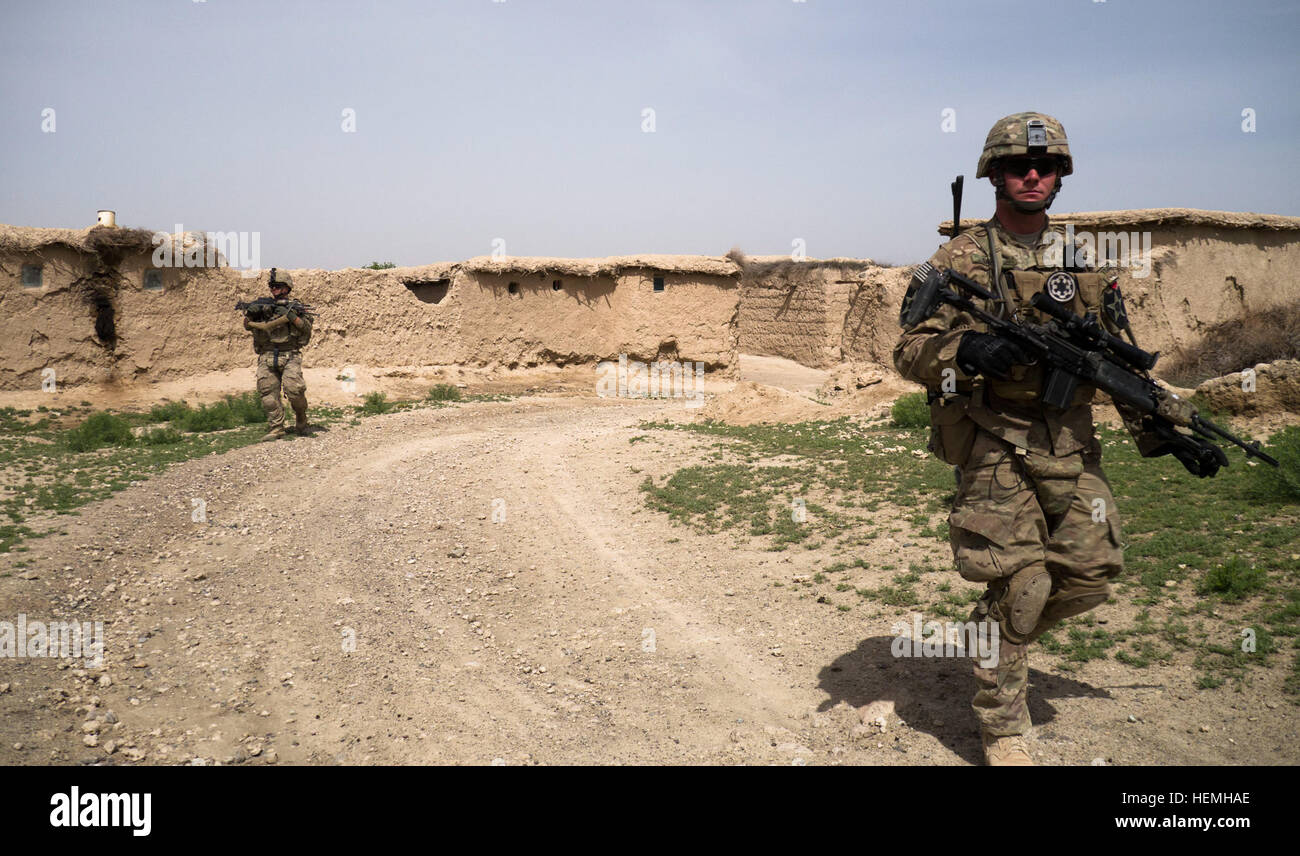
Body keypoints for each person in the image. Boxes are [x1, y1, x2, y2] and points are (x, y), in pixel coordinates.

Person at [892, 112, 1219, 766]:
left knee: (1093, 572)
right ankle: (1005, 726)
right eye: (1018, 165)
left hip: (1070, 444)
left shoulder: (1083, 263)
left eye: (1044, 166)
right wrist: (968, 348)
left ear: (1060, 175)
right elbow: (908, 349)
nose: (1033, 175)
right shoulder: (959, 258)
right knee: (1024, 582)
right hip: (992, 441)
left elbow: (1114, 364)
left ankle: (992, 636)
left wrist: (1169, 427)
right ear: (995, 175)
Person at [244, 268, 313, 440]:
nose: (274, 289)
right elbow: (247, 325)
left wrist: (290, 316)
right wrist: (250, 314)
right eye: (272, 286)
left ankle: (301, 418)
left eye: (278, 286)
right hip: (267, 355)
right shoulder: (263, 306)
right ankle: (276, 427)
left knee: (295, 391)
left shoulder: (295, 307)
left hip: (289, 355)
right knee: (267, 394)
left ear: (287, 288)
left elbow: (306, 328)